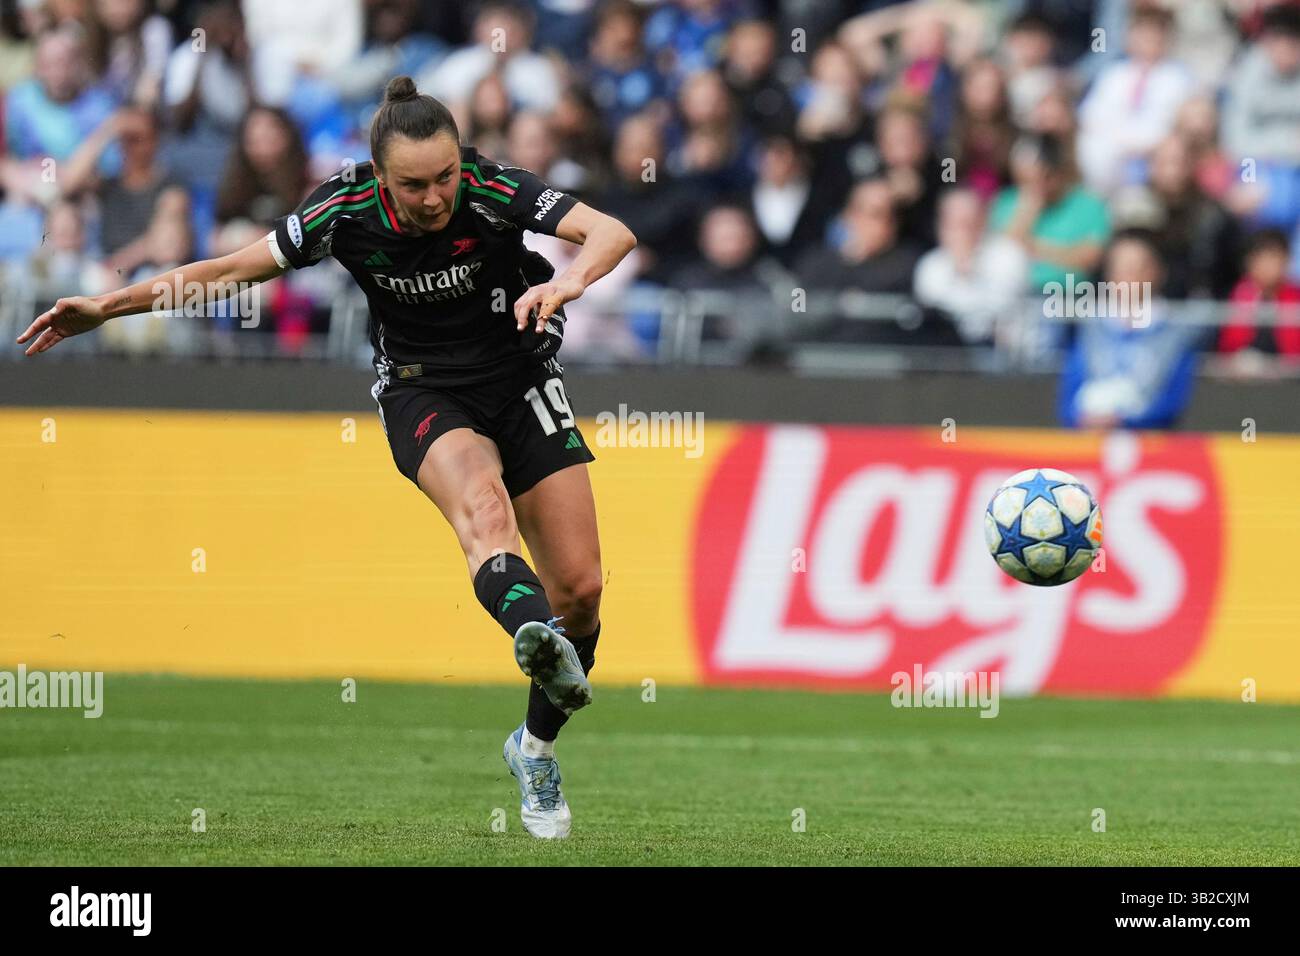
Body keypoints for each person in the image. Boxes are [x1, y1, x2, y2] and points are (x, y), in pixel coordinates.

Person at [16, 75, 639, 841]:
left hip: (522, 381)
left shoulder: (489, 185)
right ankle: (535, 637)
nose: (437, 196)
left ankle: (533, 744)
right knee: (484, 510)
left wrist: (570, 281)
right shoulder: (340, 209)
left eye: (445, 176)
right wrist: (106, 307)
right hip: (425, 392)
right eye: (415, 184)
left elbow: (611, 231)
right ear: (381, 176)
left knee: (580, 590)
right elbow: (228, 272)